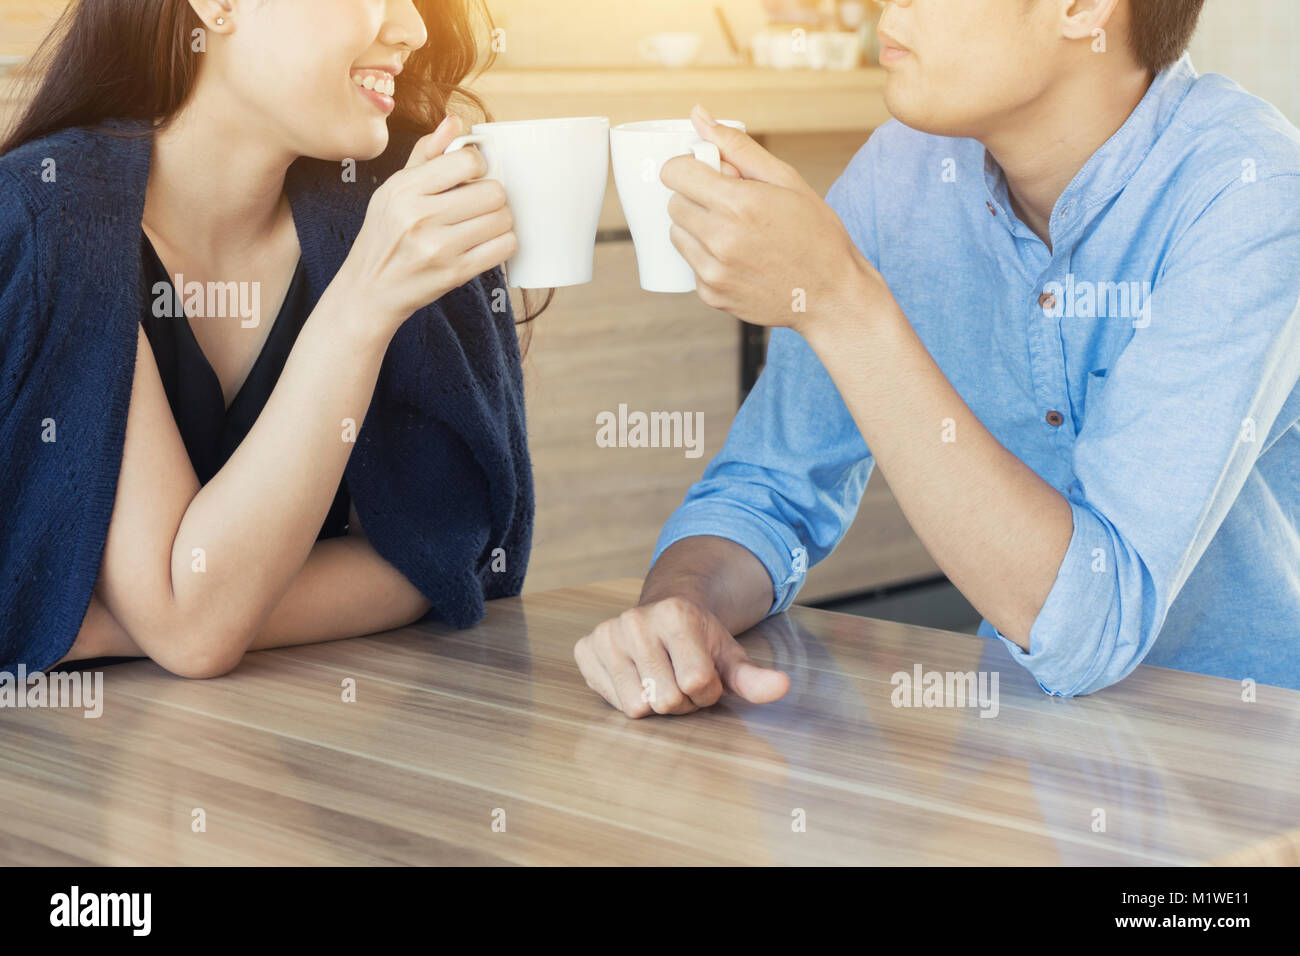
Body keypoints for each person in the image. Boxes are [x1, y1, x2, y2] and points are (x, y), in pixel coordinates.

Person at [575, 0, 1300, 713]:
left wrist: (841, 302)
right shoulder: (905, 170)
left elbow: (1092, 626)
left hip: (1252, 761)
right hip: (1016, 756)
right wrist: (680, 611)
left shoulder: (1250, 192)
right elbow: (766, 493)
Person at [0, 0, 538, 678]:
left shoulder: (398, 204)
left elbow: (450, 557)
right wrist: (360, 307)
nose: (413, 28)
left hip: (306, 738)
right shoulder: (50, 218)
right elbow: (192, 629)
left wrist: (103, 622)